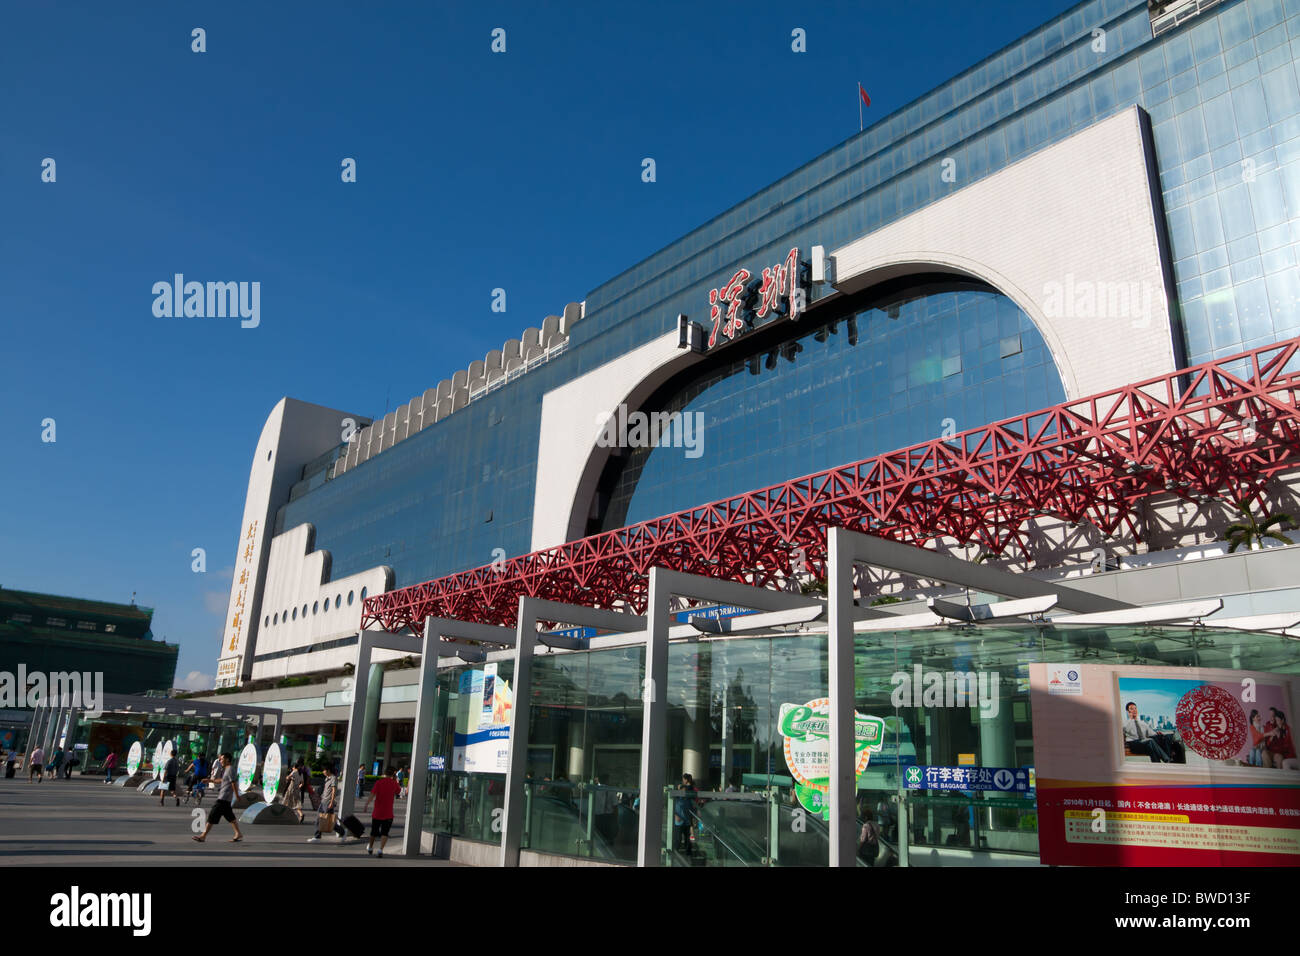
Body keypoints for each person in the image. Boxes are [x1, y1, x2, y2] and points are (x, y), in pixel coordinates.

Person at [191, 753, 243, 844]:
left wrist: (237, 796)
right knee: (230, 817)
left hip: (224, 797)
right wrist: (210, 780)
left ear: (227, 759)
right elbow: (223, 780)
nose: (220, 761)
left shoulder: (230, 769)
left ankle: (203, 836)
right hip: (224, 798)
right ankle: (238, 833)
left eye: (222, 759)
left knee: (213, 815)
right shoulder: (227, 769)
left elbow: (233, 782)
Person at [362, 765, 401, 857]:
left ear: (384, 773)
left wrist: (366, 804)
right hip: (388, 813)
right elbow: (398, 792)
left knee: (374, 831)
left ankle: (370, 847)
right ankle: (380, 850)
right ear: (393, 774)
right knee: (385, 832)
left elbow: (372, 794)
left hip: (377, 812)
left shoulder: (379, 782)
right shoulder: (394, 783)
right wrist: (395, 780)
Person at [308, 763, 349, 843]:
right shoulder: (327, 778)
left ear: (328, 770)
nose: (323, 772)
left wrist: (331, 802)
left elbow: (334, 790)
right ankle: (317, 837)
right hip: (323, 802)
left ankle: (343, 832)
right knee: (319, 819)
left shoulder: (333, 778)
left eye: (324, 770)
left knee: (328, 821)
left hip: (328, 803)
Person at [673, 773, 698, 857]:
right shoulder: (679, 796)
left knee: (686, 838)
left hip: (686, 819)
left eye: (684, 779)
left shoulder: (689, 792)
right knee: (679, 838)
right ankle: (676, 853)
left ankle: (686, 853)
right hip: (680, 819)